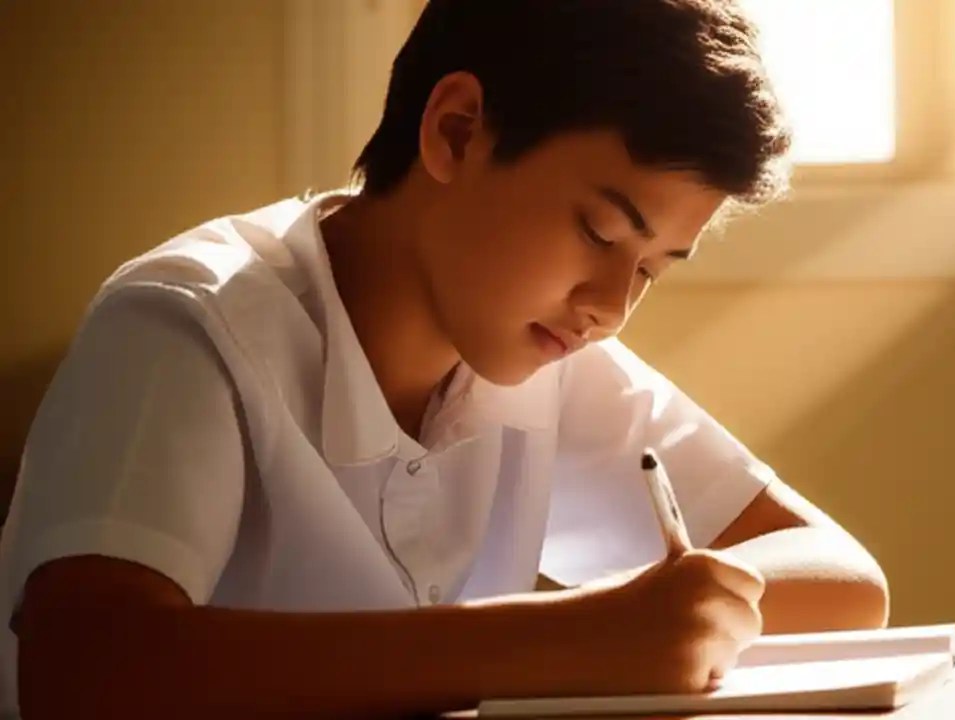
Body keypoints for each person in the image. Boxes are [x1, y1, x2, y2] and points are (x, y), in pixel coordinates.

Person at [0, 1, 888, 717]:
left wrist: (656, 617)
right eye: (600, 232)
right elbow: (82, 672)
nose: (611, 309)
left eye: (651, 270)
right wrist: (569, 640)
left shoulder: (543, 361)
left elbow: (845, 583)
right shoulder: (186, 327)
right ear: (457, 132)